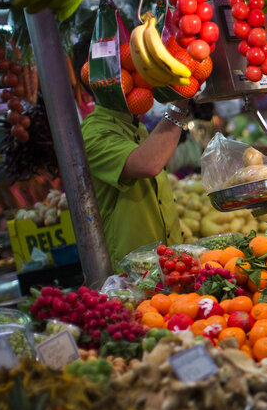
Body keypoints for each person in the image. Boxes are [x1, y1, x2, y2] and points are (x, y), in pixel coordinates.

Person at [76, 39, 187, 267]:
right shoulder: (93, 132)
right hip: (132, 275)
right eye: (129, 66)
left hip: (165, 264)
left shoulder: (134, 125)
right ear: (101, 79)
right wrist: (181, 101)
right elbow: (147, 163)